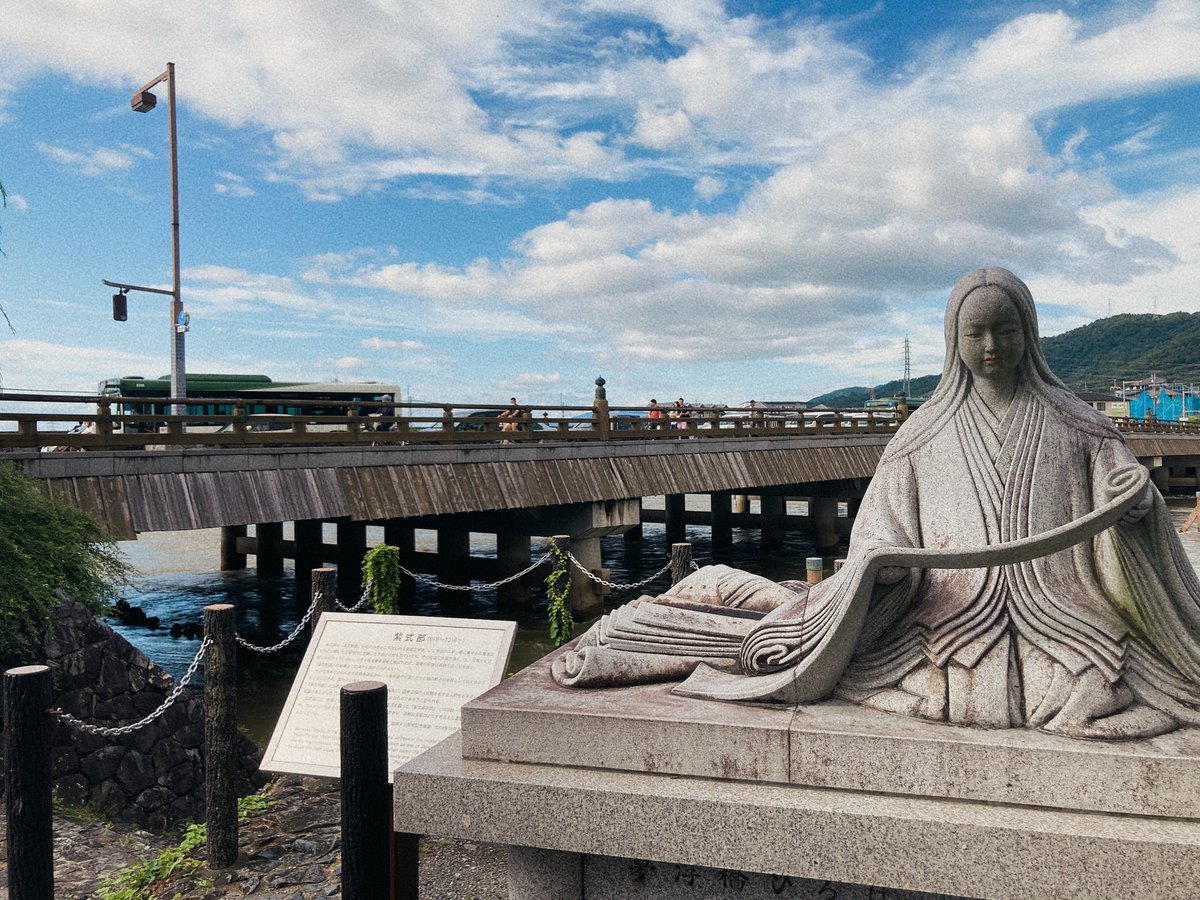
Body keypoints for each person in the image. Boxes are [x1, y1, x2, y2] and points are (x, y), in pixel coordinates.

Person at [552, 267, 1200, 740]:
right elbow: (878, 532)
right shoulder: (923, 433)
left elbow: (1131, 501)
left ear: (1028, 333)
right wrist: (883, 566)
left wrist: (1137, 506)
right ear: (956, 340)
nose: (992, 347)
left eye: (1004, 331)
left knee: (1095, 684)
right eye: (976, 334)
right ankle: (689, 616)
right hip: (951, 611)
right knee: (947, 681)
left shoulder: (1078, 426)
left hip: (1059, 609)